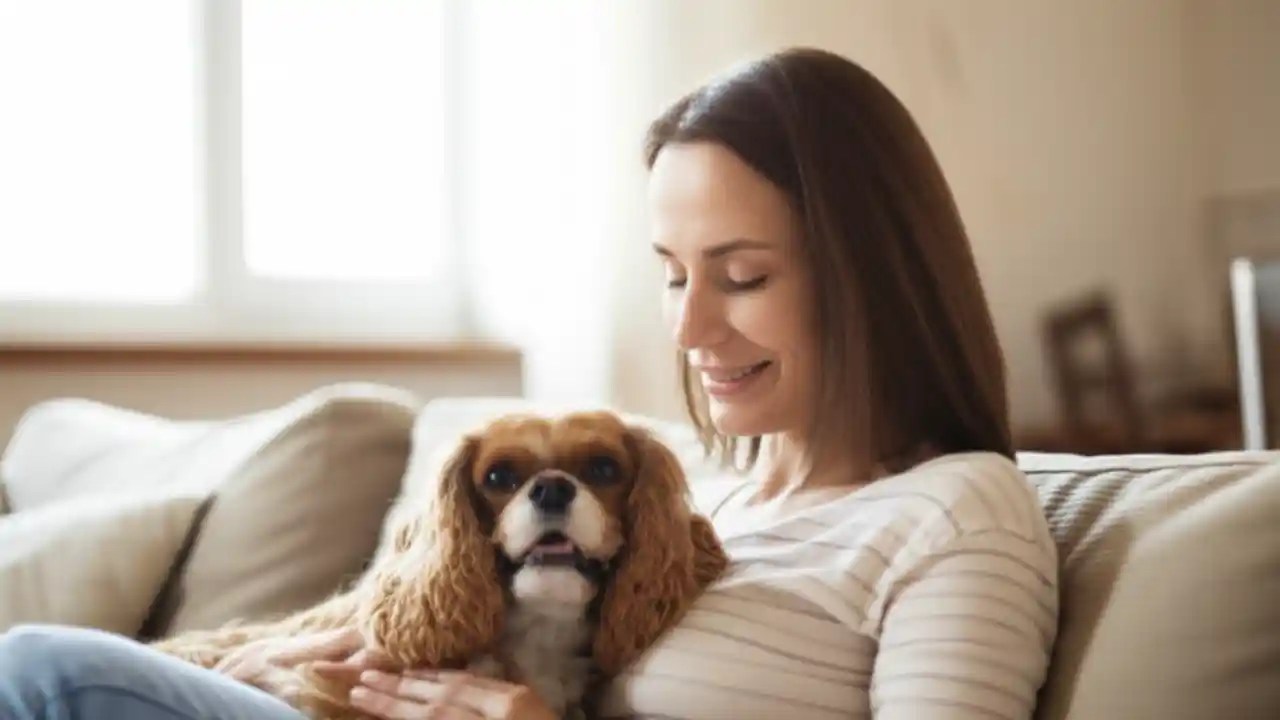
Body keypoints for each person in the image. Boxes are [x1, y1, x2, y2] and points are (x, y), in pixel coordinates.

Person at [0, 46, 1058, 720]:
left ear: (868, 270)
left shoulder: (956, 514)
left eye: (741, 276)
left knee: (40, 674)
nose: (688, 327)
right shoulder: (700, 494)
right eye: (671, 275)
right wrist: (274, 672)